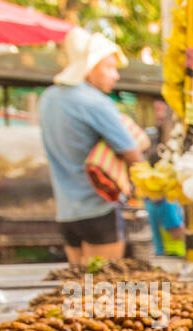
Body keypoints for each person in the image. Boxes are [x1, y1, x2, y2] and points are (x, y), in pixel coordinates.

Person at [38, 28, 144, 265]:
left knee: (79, 290)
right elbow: (131, 152)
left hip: (66, 214)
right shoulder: (94, 102)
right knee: (103, 291)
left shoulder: (48, 99)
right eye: (108, 67)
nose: (115, 76)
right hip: (98, 211)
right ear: (90, 67)